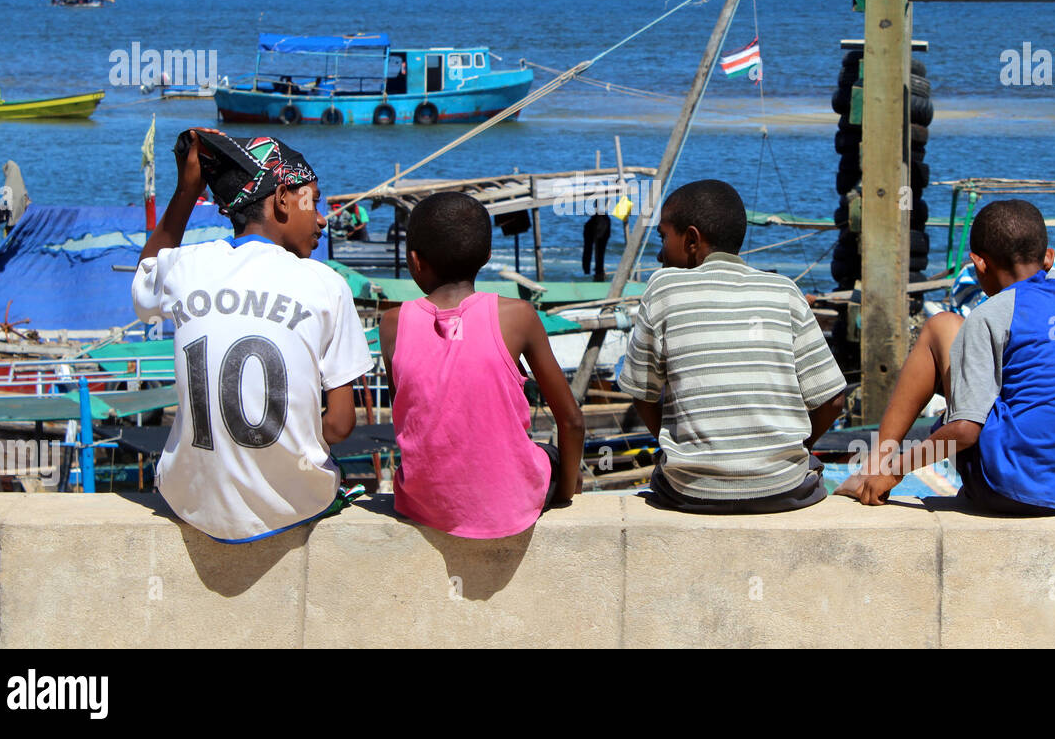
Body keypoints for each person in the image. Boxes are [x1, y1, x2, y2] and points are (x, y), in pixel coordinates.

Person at [132, 128, 374, 543]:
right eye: (313, 200)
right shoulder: (325, 283)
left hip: (190, 500)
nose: (321, 218)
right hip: (295, 507)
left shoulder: (189, 266)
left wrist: (187, 190)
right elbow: (339, 424)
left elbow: (145, 273)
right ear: (282, 199)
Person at [837, 199, 1055, 513]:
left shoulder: (989, 316)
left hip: (1003, 490)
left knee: (940, 327)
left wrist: (895, 472)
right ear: (1048, 257)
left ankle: (875, 466)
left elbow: (964, 431)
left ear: (978, 263)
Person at [618, 179, 847, 513]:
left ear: (693, 239)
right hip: (783, 492)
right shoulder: (784, 292)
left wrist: (680, 453)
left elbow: (642, 394)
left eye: (664, 237)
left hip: (691, 494)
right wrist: (795, 449)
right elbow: (833, 399)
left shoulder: (663, 289)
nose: (659, 252)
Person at [378, 191, 585, 538]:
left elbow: (412, 414)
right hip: (508, 507)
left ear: (414, 260)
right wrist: (562, 494)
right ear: (487, 256)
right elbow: (572, 421)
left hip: (421, 503)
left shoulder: (392, 323)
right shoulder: (518, 316)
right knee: (547, 453)